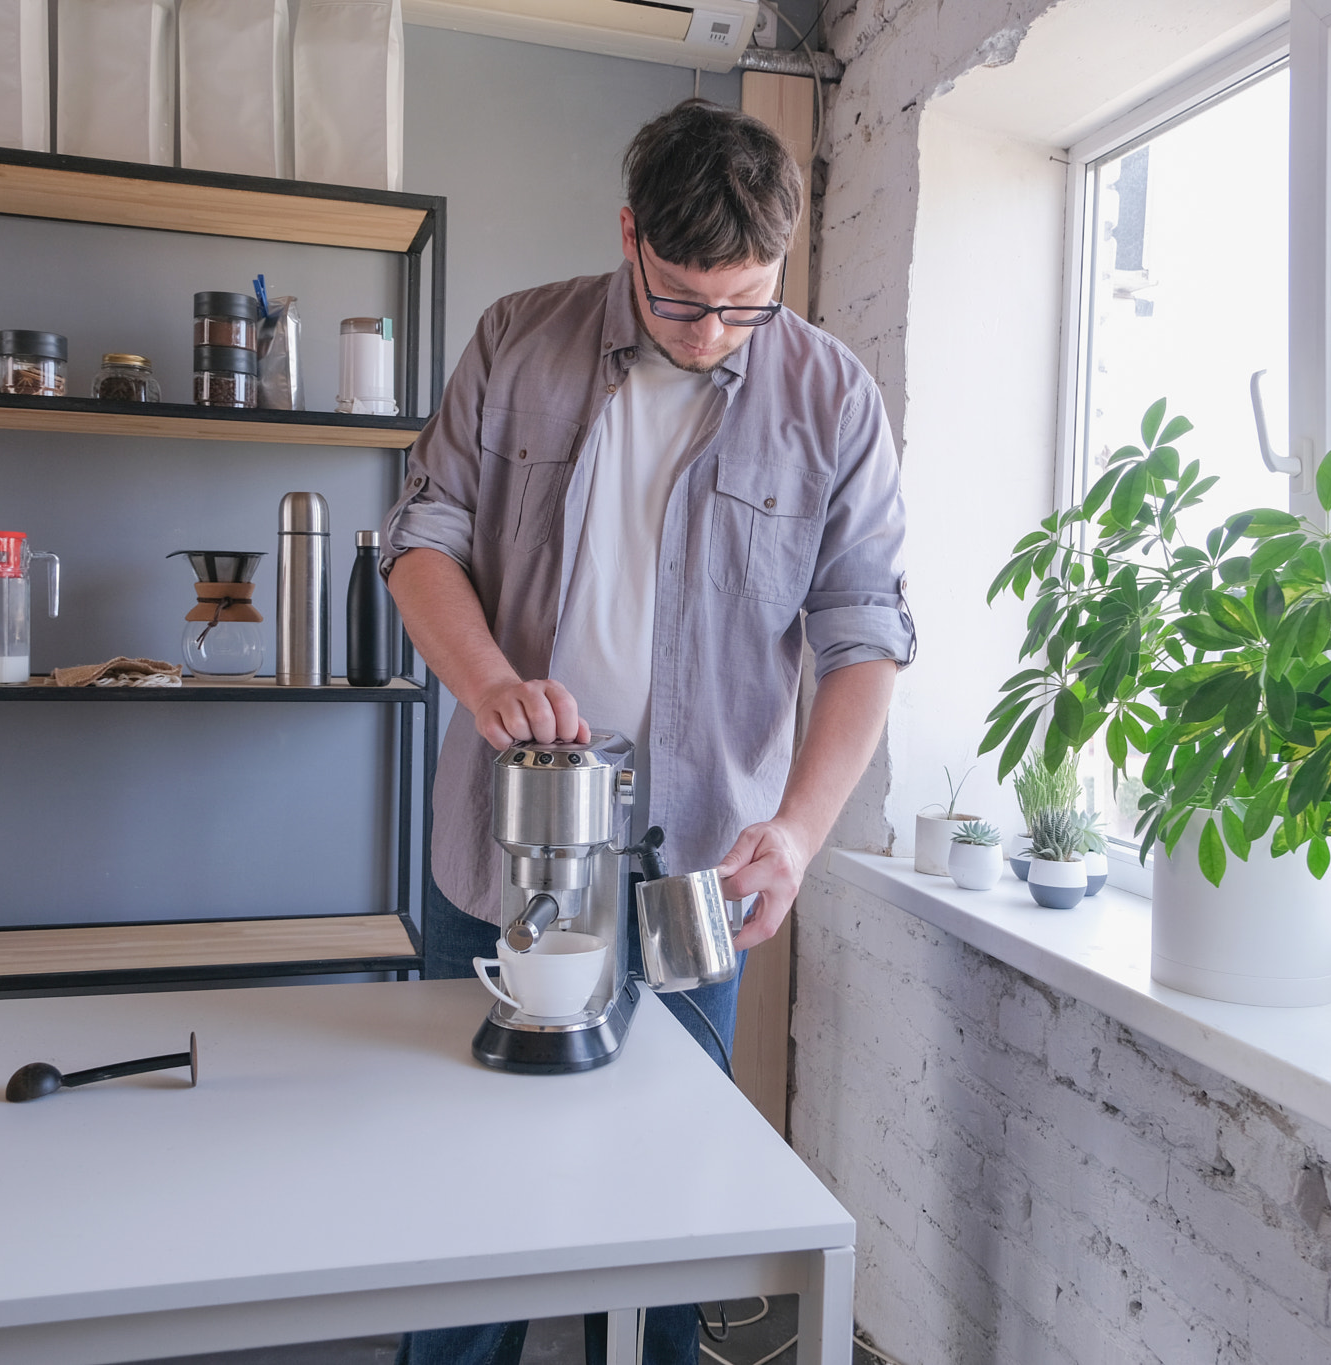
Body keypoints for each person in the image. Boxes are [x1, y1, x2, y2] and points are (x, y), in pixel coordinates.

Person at [383, 98, 912, 1365]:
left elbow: (865, 634)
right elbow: (421, 542)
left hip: (695, 868)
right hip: (500, 844)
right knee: (471, 1208)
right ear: (630, 240)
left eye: (748, 301)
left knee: (674, 1208)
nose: (713, 332)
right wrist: (486, 683)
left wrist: (796, 830)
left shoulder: (831, 396)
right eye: (682, 300)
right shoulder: (518, 337)